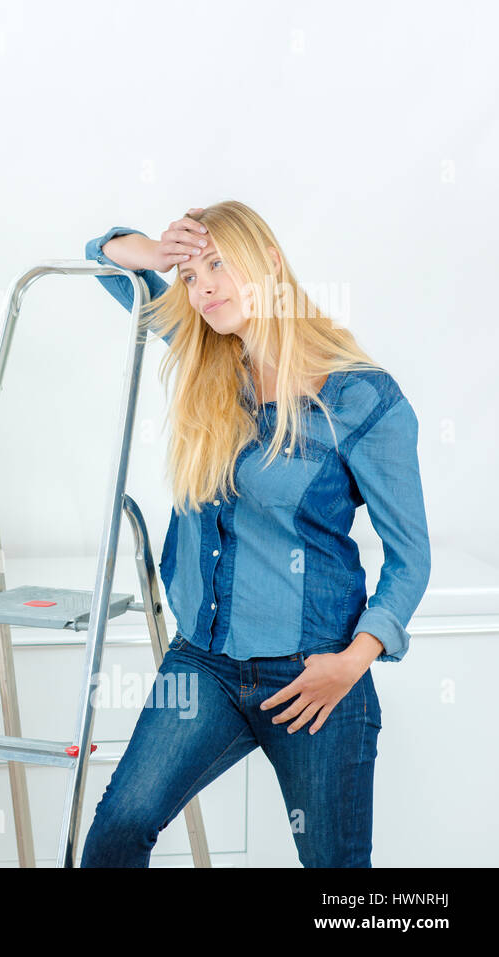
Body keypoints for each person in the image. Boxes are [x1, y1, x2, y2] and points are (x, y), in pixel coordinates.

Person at [78, 201, 430, 867]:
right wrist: (158, 253)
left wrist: (349, 666)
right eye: (192, 275)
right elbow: (104, 255)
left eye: (219, 265)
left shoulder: (363, 398)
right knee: (118, 829)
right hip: (204, 663)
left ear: (270, 262)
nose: (204, 286)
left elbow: (411, 560)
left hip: (313, 675)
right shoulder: (207, 362)